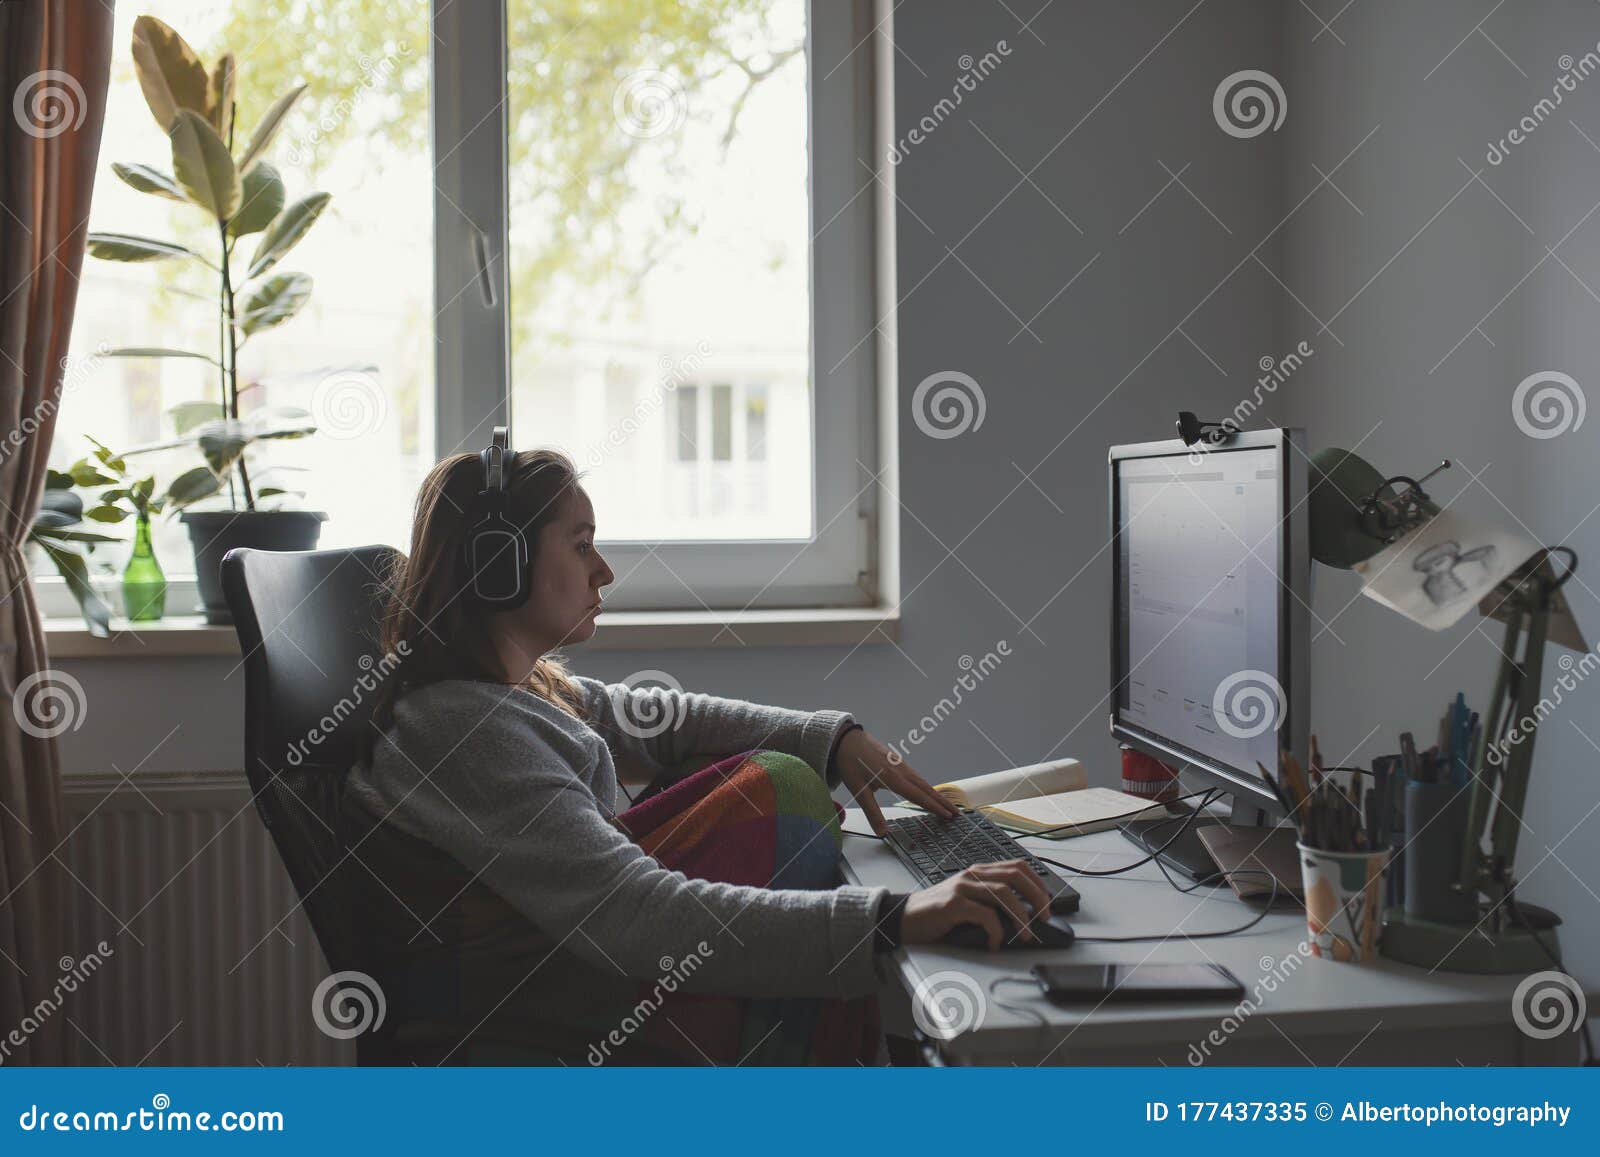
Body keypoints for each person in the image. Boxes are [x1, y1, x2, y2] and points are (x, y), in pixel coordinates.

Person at [344, 447, 1051, 1064]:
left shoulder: (516, 689)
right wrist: (893, 918)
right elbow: (631, 912)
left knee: (787, 780)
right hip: (555, 1007)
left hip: (578, 972)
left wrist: (834, 738)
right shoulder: (465, 732)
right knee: (781, 792)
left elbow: (666, 722)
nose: (605, 571)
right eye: (582, 543)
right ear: (502, 565)